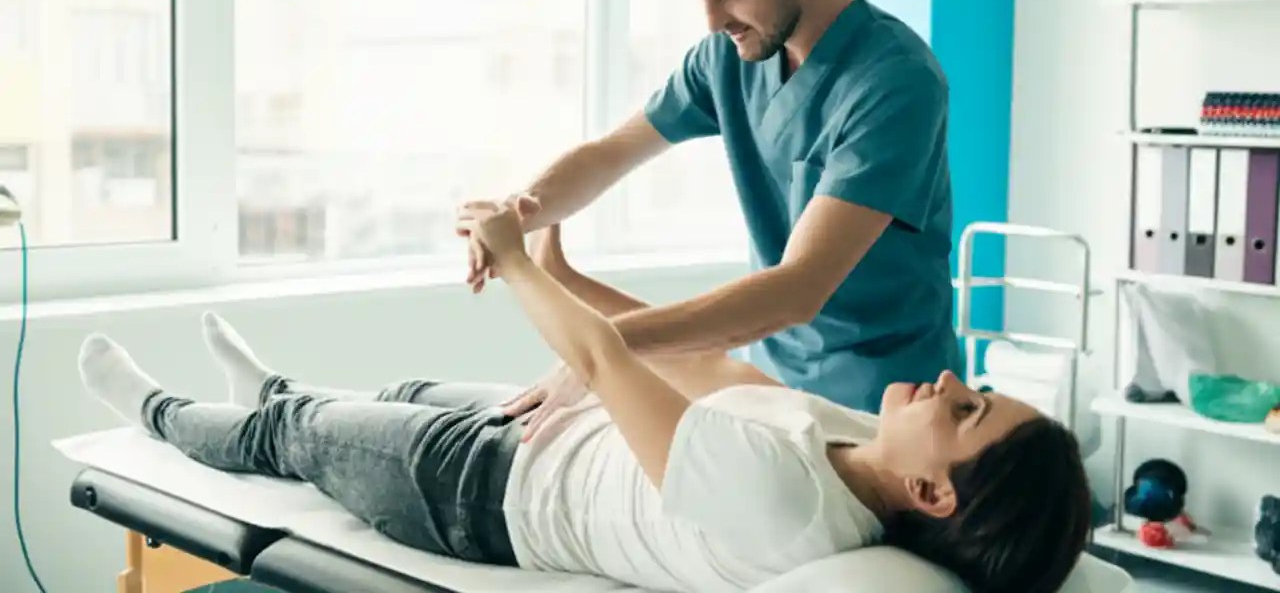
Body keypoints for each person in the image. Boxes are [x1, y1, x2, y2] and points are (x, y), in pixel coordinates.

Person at [79, 206, 1091, 593]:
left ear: (933, 493)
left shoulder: (789, 512)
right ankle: (265, 390)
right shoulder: (845, 441)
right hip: (550, 432)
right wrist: (574, 275)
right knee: (387, 391)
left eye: (964, 415)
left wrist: (517, 262)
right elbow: (701, 367)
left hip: (482, 498)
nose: (952, 383)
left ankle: (154, 412)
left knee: (294, 437)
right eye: (973, 392)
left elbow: (611, 365)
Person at [458, 0, 958, 426]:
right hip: (770, 387)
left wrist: (602, 349)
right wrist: (523, 209)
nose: (714, 21)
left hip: (889, 412)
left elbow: (797, 291)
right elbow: (612, 151)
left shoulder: (894, 83)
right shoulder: (727, 59)